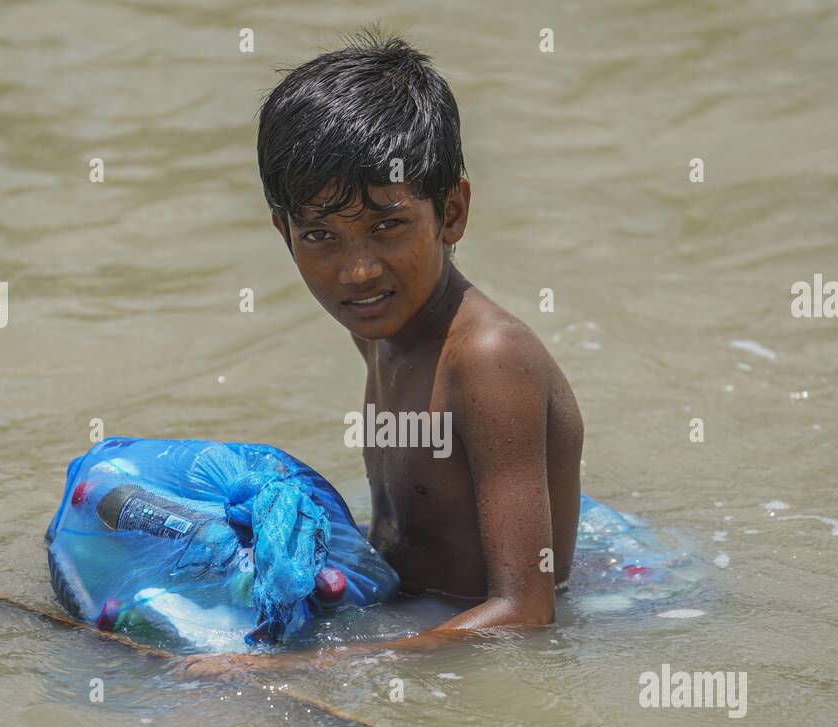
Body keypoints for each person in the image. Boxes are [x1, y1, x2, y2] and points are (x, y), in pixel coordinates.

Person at [182, 30, 582, 677]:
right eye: (321, 236)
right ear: (283, 233)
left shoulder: (487, 359)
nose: (358, 270)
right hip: (417, 616)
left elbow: (527, 613)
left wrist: (309, 667)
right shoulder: (377, 330)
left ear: (451, 211)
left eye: (387, 226)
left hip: (487, 652)